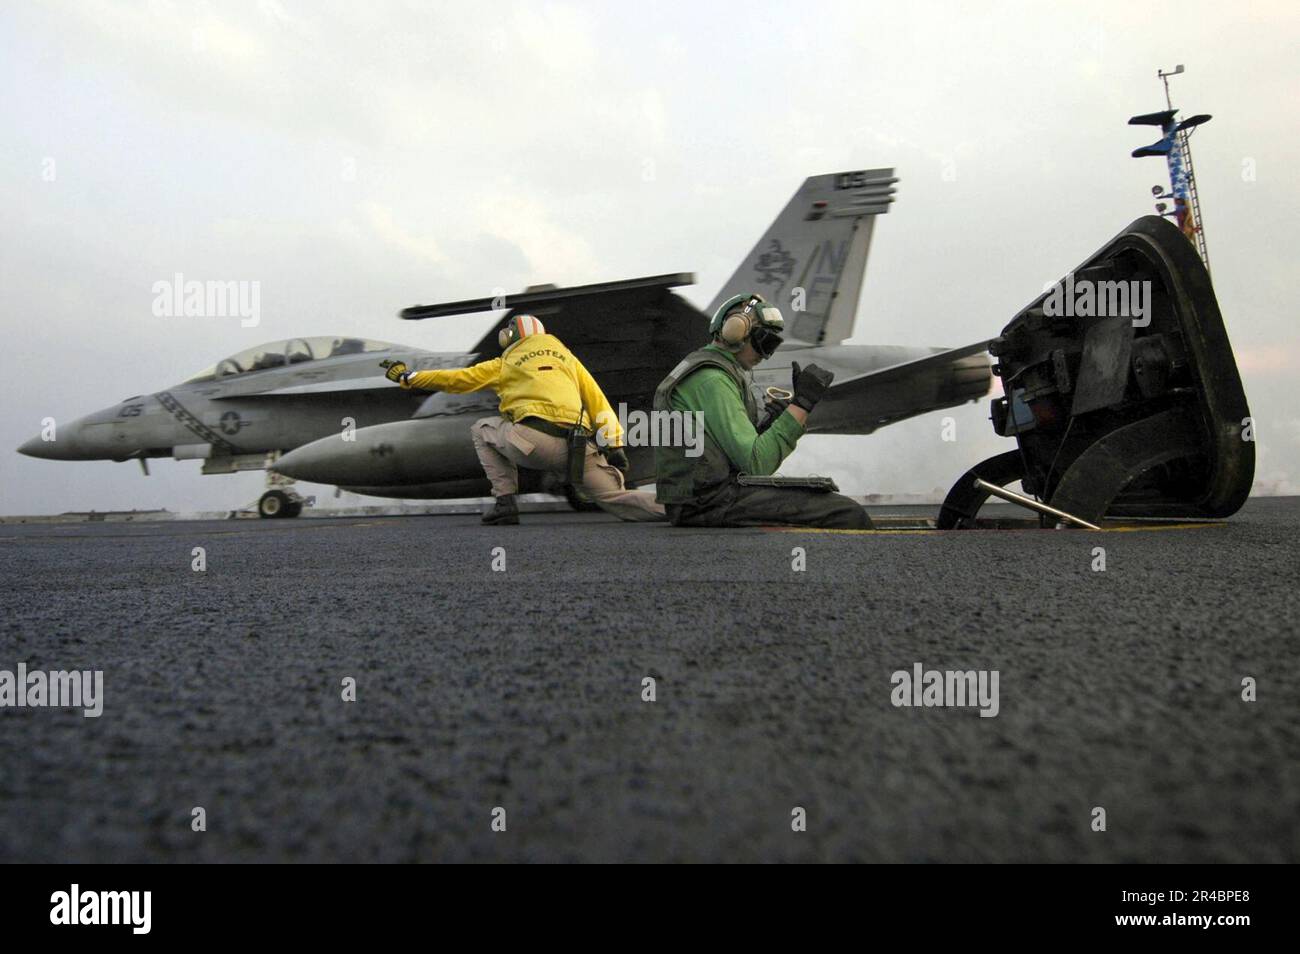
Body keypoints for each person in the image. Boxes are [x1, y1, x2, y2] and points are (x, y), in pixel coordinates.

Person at [381, 314, 664, 526]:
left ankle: (505, 503)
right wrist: (615, 446)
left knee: (482, 429)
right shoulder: (568, 360)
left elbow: (459, 380)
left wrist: (410, 377)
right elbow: (597, 400)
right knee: (619, 500)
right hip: (579, 449)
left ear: (511, 337)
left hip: (532, 444)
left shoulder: (505, 363)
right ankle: (683, 508)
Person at [652, 292, 872, 529]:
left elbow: (733, 455)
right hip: (708, 502)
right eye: (764, 343)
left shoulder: (709, 371)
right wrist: (802, 405)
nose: (765, 355)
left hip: (702, 499)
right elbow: (757, 464)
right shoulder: (712, 381)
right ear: (736, 332)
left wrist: (769, 427)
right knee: (846, 514)